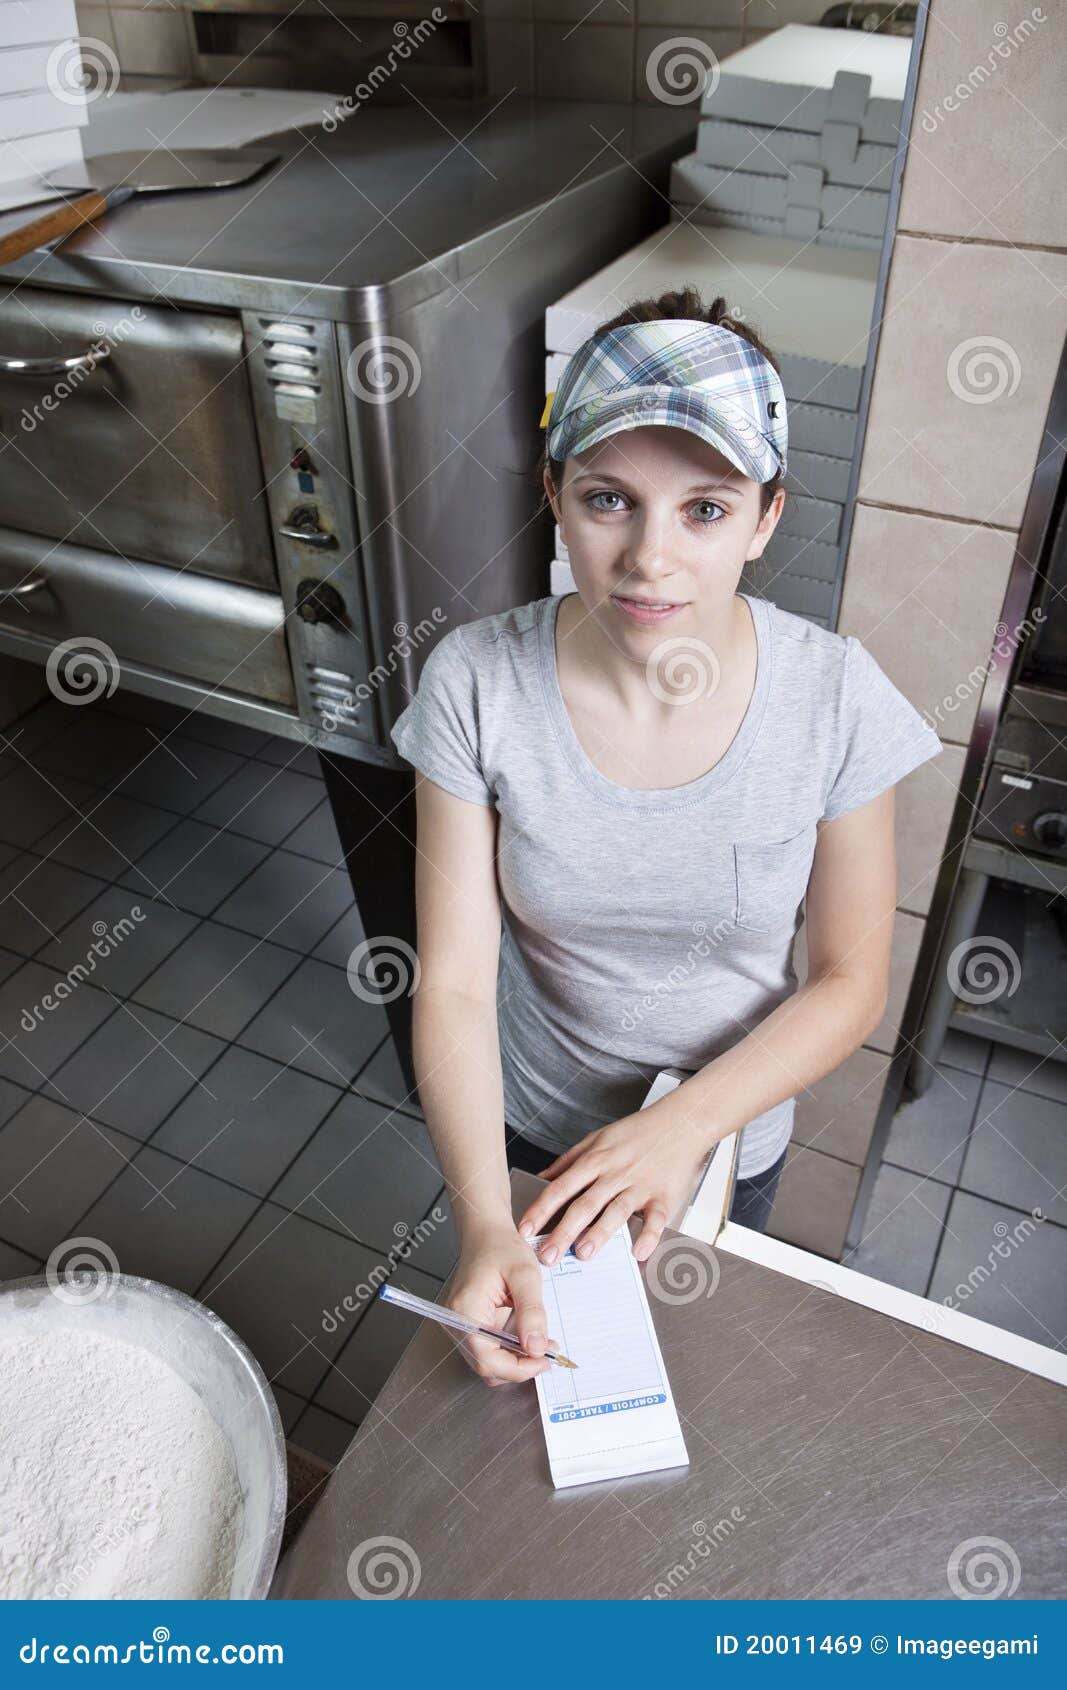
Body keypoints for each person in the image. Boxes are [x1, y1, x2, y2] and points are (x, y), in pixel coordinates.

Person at [389, 288, 941, 1387]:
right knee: (538, 1391)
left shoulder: (832, 699)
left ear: (765, 516)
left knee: (689, 1381)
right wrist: (486, 1220)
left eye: (702, 509)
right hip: (533, 1120)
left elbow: (846, 979)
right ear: (551, 493)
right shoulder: (475, 683)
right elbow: (451, 983)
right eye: (608, 500)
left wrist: (680, 1127)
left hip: (727, 1130)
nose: (649, 558)